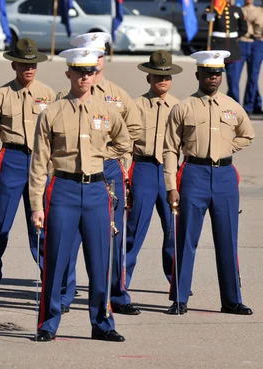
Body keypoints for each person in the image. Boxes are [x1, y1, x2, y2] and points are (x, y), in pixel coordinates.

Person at [30, 47, 131, 342]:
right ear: (68, 74)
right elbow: (38, 162)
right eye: (79, 71)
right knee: (56, 259)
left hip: (98, 190)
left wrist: (100, 156)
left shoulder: (107, 110)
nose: (85, 77)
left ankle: (102, 323)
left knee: (100, 261)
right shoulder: (52, 112)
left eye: (90, 71)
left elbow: (123, 143)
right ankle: (48, 323)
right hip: (63, 189)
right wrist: (37, 204)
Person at [163, 50, 254, 315]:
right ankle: (179, 298)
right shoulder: (183, 107)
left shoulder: (232, 106)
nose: (213, 78)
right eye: (208, 73)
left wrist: (227, 147)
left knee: (227, 238)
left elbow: (247, 135)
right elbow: (170, 148)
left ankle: (231, 300)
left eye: (217, 73)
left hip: (225, 176)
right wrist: (171, 185)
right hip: (194, 173)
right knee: (186, 238)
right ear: (198, 75)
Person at [60, 32, 141, 315]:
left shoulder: (117, 95)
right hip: (74, 172)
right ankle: (64, 294)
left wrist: (117, 157)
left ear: (103, 59)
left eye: (99, 54)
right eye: (89, 54)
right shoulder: (66, 98)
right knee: (69, 237)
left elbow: (134, 130)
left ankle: (116, 294)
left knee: (113, 234)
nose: (94, 60)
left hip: (107, 168)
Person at [0, 38, 55, 295]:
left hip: (39, 163)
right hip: (10, 160)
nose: (29, 69)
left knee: (41, 223)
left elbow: (55, 135)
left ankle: (51, 278)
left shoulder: (49, 95)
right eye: (23, 64)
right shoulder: (0, 95)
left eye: (32, 64)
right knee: (0, 223)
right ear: (14, 64)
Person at [124, 50, 182, 303]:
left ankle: (178, 283)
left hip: (170, 173)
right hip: (143, 169)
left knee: (174, 231)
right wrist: (125, 178)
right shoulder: (135, 106)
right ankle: (121, 282)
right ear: (148, 77)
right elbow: (125, 143)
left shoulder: (179, 107)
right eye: (158, 76)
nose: (162, 81)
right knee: (133, 231)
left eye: (167, 77)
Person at [203, 1, 248, 102]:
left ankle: (235, 105)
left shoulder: (237, 10)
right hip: (217, 49)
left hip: (233, 50)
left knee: (234, 83)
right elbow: (205, 19)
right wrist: (209, 15)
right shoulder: (212, 7)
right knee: (212, 81)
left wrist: (234, 37)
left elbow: (244, 28)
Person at [237, 0, 263, 116]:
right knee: (235, 77)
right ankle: (252, 104)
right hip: (242, 42)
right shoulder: (240, 9)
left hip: (257, 42)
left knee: (253, 77)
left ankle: (249, 106)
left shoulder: (259, 10)